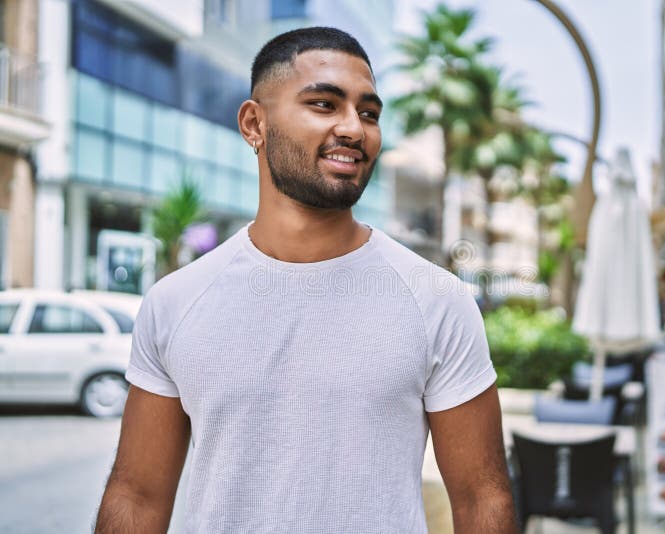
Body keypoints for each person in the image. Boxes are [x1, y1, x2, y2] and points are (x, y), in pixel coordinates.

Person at [95, 27, 516, 533]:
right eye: (324, 104)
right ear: (255, 124)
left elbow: (482, 500)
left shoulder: (437, 300)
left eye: (369, 113)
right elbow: (137, 497)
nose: (355, 129)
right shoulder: (175, 302)